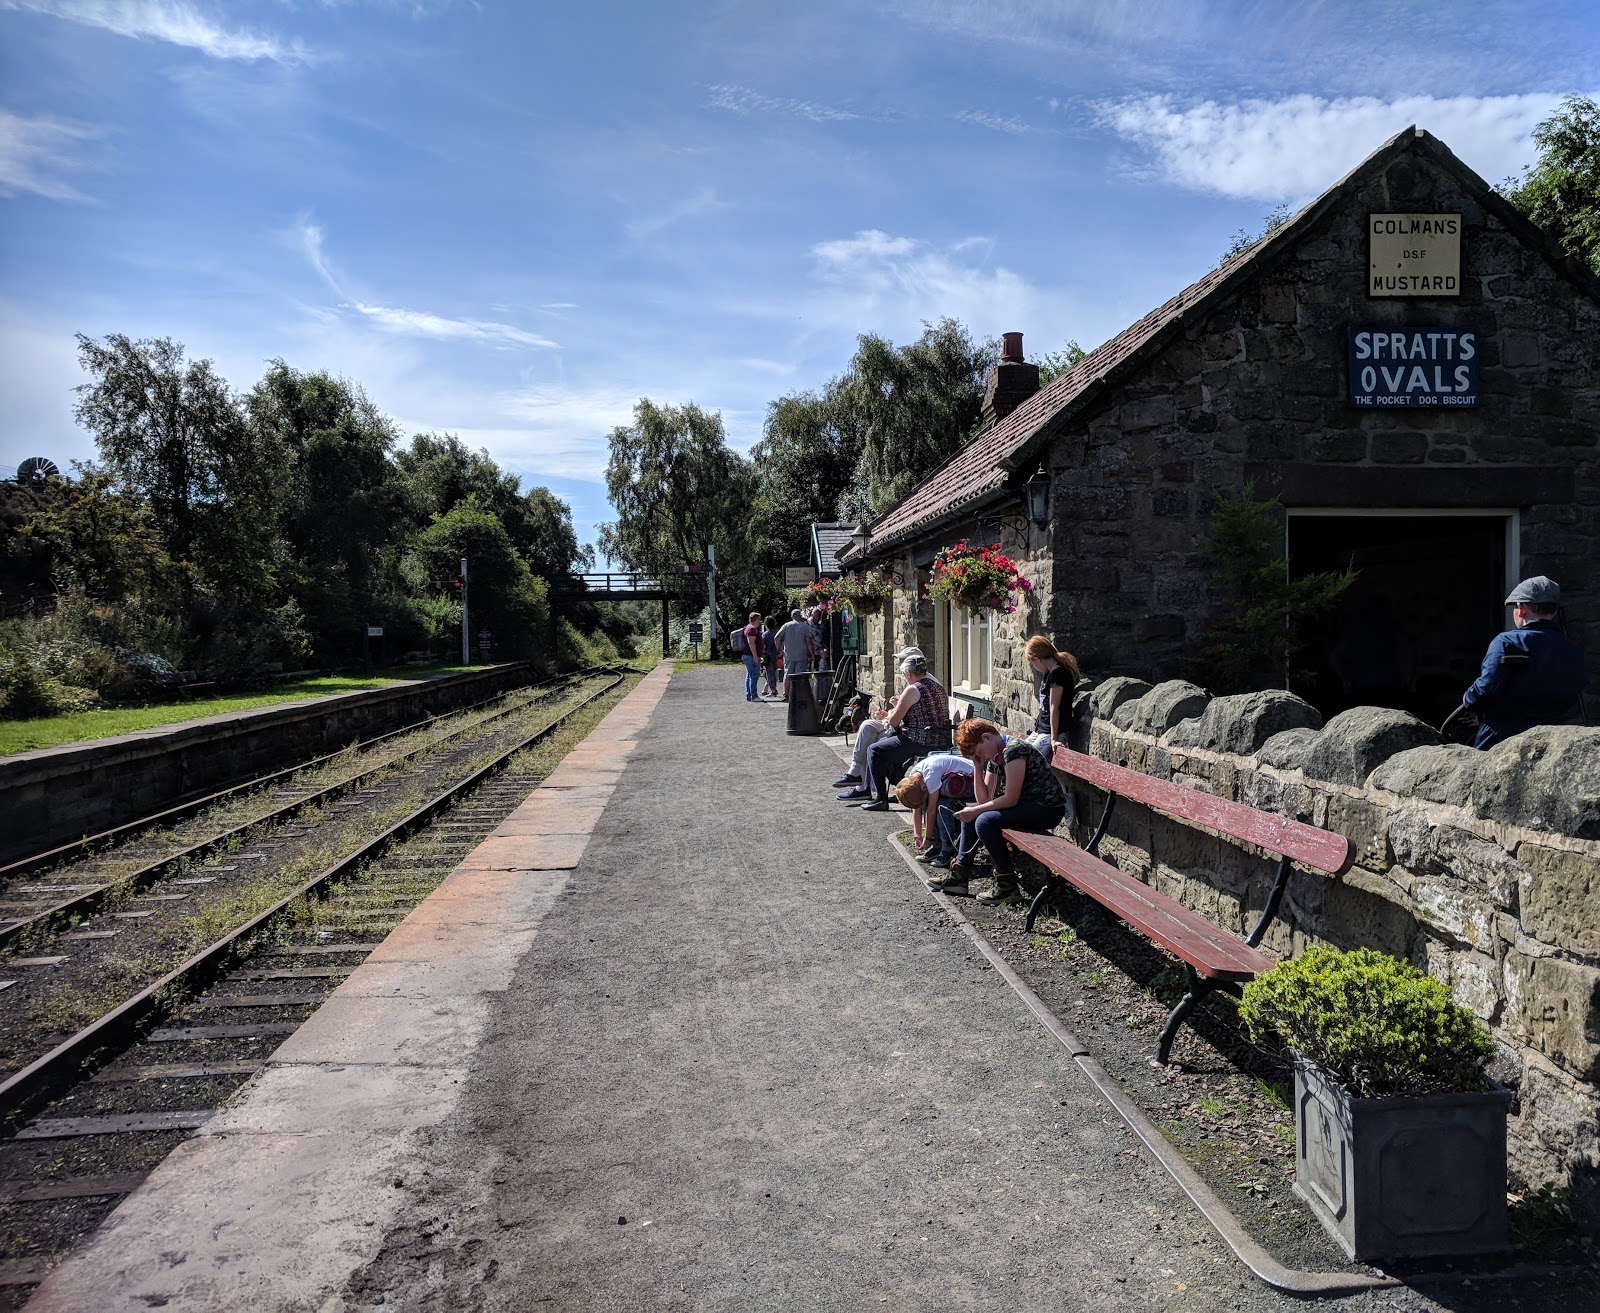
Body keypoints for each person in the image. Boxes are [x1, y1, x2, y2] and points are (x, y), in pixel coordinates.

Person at [930, 718, 1066, 905]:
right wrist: (978, 767)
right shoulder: (996, 753)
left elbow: (1010, 799)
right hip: (1026, 806)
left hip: (1046, 808)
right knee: (974, 813)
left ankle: (1006, 884)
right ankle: (959, 877)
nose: (982, 756)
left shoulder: (1014, 750)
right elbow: (984, 799)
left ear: (986, 737)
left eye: (979, 753)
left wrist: (976, 810)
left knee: (984, 821)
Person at [1461, 576, 1588, 749]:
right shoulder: (1573, 650)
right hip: (1551, 740)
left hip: (1500, 737)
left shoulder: (1506, 642)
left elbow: (1485, 690)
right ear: (1554, 611)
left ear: (1520, 608)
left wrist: (1468, 699)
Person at [852, 653, 951, 812]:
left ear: (908, 674)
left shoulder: (913, 689)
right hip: (941, 739)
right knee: (890, 746)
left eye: (905, 675)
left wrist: (892, 712)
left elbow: (893, 722)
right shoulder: (937, 686)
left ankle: (881, 799)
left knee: (875, 750)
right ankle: (901, 786)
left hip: (921, 740)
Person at [833, 644, 925, 791]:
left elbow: (902, 719)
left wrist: (890, 716)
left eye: (902, 660)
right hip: (903, 727)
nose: (899, 664)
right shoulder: (915, 683)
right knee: (867, 726)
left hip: (911, 733)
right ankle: (856, 774)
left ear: (911, 666)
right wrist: (890, 713)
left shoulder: (919, 685)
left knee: (873, 743)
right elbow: (908, 712)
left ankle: (868, 790)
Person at [893, 750, 976, 868]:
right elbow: (917, 808)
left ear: (923, 788)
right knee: (930, 801)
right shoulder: (914, 777)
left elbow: (931, 811)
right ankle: (937, 846)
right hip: (952, 782)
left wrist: (927, 838)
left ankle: (948, 848)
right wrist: (917, 834)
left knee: (941, 807)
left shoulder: (930, 776)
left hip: (971, 781)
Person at [1024, 635, 1080, 756]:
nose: (1034, 667)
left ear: (1037, 659)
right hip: (1041, 730)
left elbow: (1054, 706)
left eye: (1032, 663)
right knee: (1014, 754)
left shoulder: (1057, 672)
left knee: (1027, 760)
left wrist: (1054, 739)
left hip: (1050, 733)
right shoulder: (1048, 674)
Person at [775, 608, 816, 702]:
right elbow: (809, 642)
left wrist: (781, 650)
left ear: (792, 616)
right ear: (800, 616)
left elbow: (777, 638)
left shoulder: (786, 626)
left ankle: (786, 694)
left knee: (788, 674)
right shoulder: (805, 627)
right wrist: (812, 654)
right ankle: (798, 695)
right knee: (800, 675)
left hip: (789, 654)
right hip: (802, 654)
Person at [739, 610, 764, 702]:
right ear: (755, 619)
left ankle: (749, 695)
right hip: (750, 656)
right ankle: (754, 696)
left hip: (747, 655)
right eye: (759, 619)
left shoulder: (747, 628)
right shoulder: (752, 629)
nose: (760, 621)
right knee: (754, 675)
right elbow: (751, 643)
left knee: (749, 675)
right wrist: (755, 656)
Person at [761, 616, 780, 697]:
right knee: (772, 673)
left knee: (769, 673)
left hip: (767, 657)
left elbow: (763, 646)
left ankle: (773, 690)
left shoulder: (765, 635)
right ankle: (772, 688)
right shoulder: (777, 633)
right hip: (775, 656)